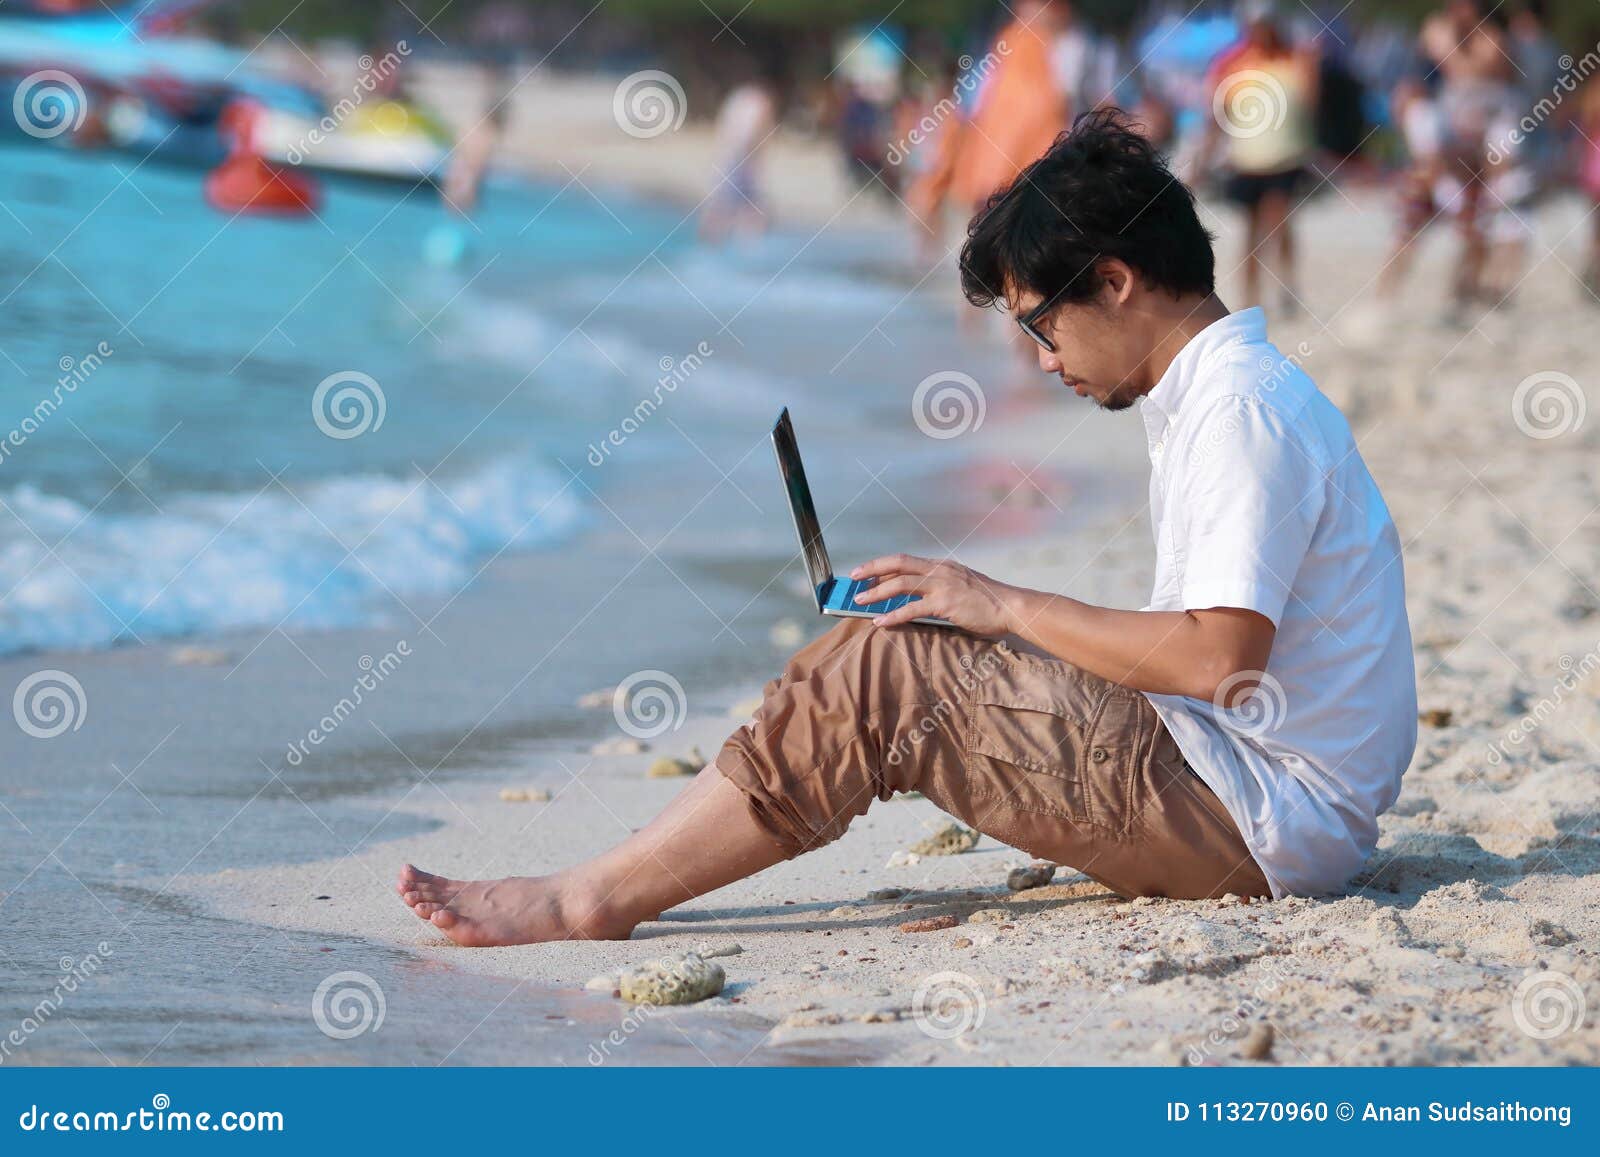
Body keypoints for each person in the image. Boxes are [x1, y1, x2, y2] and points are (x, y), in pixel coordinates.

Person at [396, 111, 1418, 946]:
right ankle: (617, 879)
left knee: (893, 671)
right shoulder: (1217, 396)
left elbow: (1216, 660)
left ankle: (593, 897)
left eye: (1041, 324)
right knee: (896, 632)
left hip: (1254, 818)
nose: (1043, 359)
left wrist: (1005, 604)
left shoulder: (1238, 411)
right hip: (1238, 783)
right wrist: (985, 615)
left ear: (1114, 282)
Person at [1198, 5, 1319, 311]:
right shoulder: (1231, 63)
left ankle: (1286, 284)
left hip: (1284, 157)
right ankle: (1253, 296)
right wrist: (1205, 158)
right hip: (1248, 160)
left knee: (1278, 218)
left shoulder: (1296, 59)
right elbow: (1217, 115)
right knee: (1252, 230)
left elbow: (1309, 105)